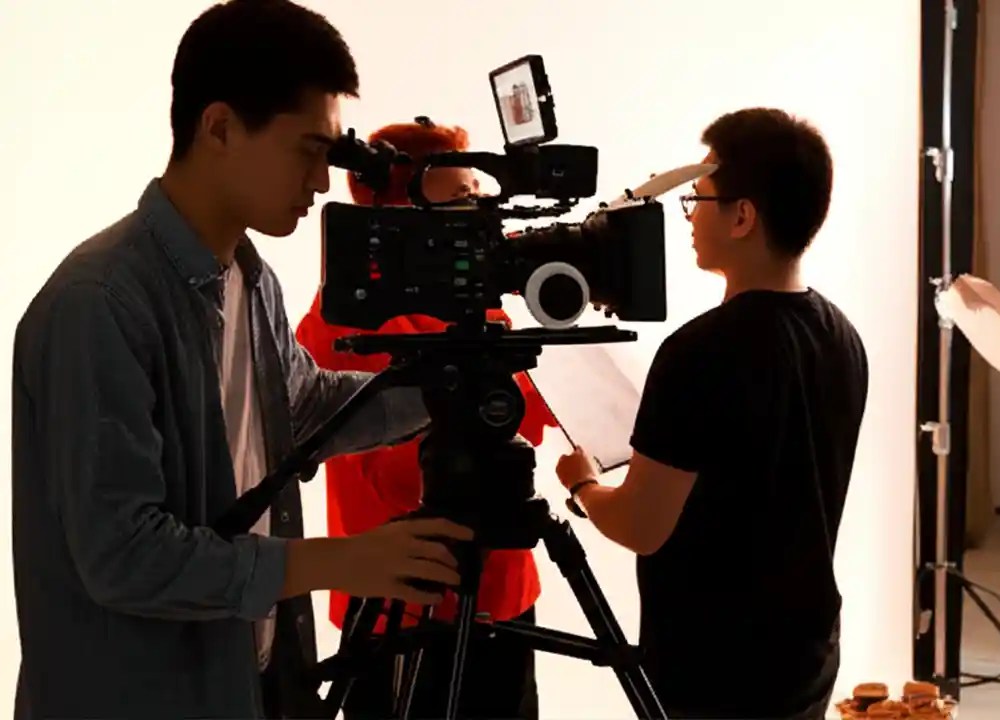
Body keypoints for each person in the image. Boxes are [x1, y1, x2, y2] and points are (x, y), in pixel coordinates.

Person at [9, 3, 474, 719]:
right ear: (220, 127)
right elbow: (123, 555)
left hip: (243, 679)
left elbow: (301, 407)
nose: (322, 181)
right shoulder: (98, 304)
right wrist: (337, 560)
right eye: (308, 151)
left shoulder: (251, 278)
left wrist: (449, 386)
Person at [554, 107, 869, 718]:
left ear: (742, 216)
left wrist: (583, 484)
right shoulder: (840, 333)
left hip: (715, 661)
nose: (690, 216)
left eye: (697, 199)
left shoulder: (700, 351)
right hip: (806, 647)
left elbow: (641, 526)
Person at [295, 117, 557, 719]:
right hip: (401, 601)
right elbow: (401, 471)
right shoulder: (348, 321)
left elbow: (525, 426)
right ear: (396, 212)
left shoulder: (472, 304)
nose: (481, 215)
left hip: (502, 592)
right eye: (463, 198)